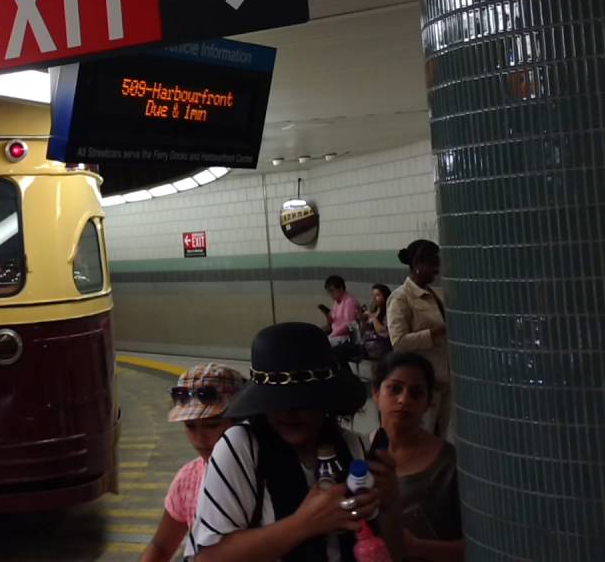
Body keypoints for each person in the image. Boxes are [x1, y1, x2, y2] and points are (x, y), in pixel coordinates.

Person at [188, 322, 406, 562]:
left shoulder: (355, 449)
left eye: (302, 400)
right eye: (277, 401)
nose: (289, 412)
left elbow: (391, 552)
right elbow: (208, 557)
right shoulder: (241, 449)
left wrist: (389, 505)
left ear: (326, 398)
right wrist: (304, 524)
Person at [140, 364, 246, 562]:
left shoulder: (262, 475)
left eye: (212, 425)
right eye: (190, 426)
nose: (200, 438)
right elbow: (161, 546)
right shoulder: (188, 480)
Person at [371, 353, 463, 561]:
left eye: (416, 393)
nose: (404, 400)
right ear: (376, 393)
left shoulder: (448, 465)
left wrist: (417, 547)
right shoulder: (357, 451)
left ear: (429, 402)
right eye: (394, 389)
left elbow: (482, 544)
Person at [387, 240, 450, 438]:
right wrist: (434, 333)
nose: (436, 269)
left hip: (444, 381)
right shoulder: (401, 298)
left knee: (439, 438)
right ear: (417, 265)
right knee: (422, 440)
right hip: (423, 383)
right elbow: (398, 342)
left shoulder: (432, 294)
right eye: (432, 264)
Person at [321, 276, 361, 344]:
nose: (330, 294)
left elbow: (348, 324)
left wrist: (332, 335)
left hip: (345, 337)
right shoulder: (337, 302)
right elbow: (333, 321)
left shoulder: (349, 302)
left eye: (332, 291)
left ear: (341, 289)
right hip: (335, 334)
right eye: (329, 291)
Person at [362, 284, 393, 360]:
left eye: (377, 295)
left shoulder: (388, 312)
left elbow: (382, 331)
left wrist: (373, 317)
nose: (374, 298)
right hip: (366, 342)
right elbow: (364, 329)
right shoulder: (374, 310)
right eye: (373, 295)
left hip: (380, 345)